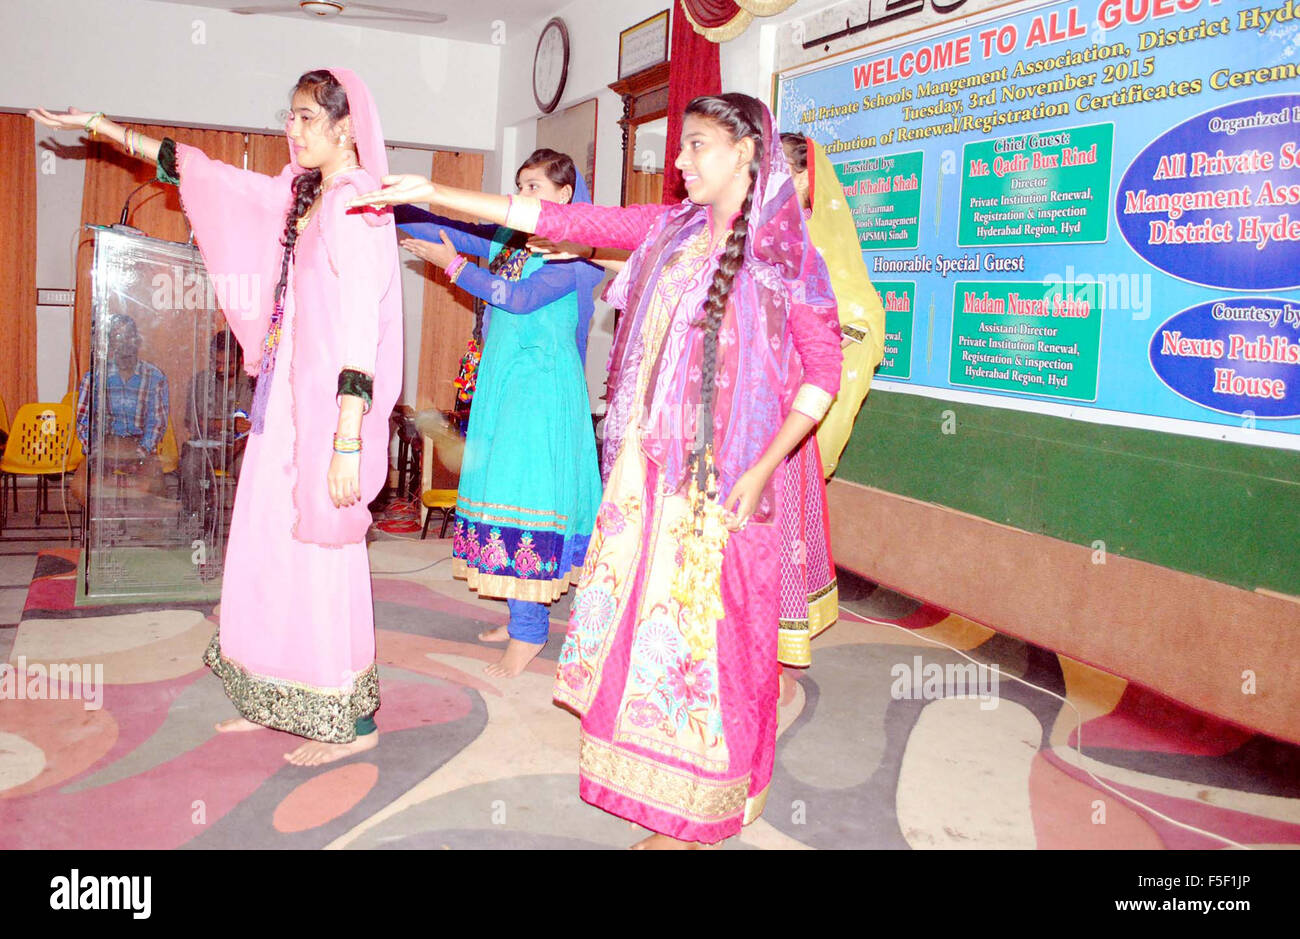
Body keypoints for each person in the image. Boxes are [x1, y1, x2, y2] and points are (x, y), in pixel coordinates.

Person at [356, 93, 842, 847]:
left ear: (747, 152)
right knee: (652, 648)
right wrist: (434, 193)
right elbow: (559, 222)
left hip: (727, 493)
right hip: (652, 482)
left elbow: (824, 372)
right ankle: (669, 802)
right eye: (679, 147)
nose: (678, 164)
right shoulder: (670, 230)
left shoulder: (785, 257)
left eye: (697, 146)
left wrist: (767, 465)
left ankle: (705, 814)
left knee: (715, 651)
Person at [31, 67, 403, 767]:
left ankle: (350, 722)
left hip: (324, 412)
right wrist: (109, 129)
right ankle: (276, 694)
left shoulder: (357, 204)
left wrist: (347, 439)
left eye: (305, 119)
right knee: (268, 544)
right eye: (288, 117)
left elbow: (358, 328)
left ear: (346, 127)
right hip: (283, 402)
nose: (290, 131)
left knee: (322, 554)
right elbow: (217, 180)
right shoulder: (303, 194)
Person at [393, 149, 603, 678]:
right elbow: (454, 230)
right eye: (520, 186)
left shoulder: (576, 255)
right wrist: (393, 205)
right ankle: (520, 621)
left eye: (534, 188)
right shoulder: (514, 243)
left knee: (526, 503)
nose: (522, 197)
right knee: (503, 498)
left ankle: (529, 634)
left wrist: (455, 268)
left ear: (564, 196)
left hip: (542, 395)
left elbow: (518, 298)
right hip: (506, 391)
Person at [773, 134, 887, 674]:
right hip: (753, 401)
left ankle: (781, 624)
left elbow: (856, 321)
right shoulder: (757, 233)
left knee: (785, 507)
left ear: (801, 178)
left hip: (796, 403)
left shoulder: (817, 244)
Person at [69, 313, 169, 504]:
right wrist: (97, 451)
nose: (124, 344)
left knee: (151, 488)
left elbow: (156, 424)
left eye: (129, 337)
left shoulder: (155, 377)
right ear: (110, 343)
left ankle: (140, 529)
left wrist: (141, 454)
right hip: (104, 445)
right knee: (81, 488)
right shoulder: (95, 377)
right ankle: (105, 526)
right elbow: (83, 422)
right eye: (117, 337)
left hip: (140, 445)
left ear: (137, 341)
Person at [179, 329, 253, 518]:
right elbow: (195, 424)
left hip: (242, 448)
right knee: (190, 463)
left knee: (248, 466)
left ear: (240, 360)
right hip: (207, 446)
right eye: (216, 363)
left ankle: (245, 520)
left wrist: (238, 442)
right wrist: (229, 424)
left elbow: (258, 427)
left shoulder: (253, 384)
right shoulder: (200, 382)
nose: (220, 369)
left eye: (227, 363)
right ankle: (196, 518)